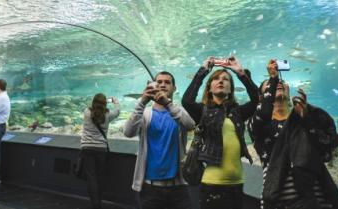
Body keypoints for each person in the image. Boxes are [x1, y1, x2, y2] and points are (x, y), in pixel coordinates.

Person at [252, 60, 338, 209]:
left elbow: (330, 143)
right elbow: (263, 112)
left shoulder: (305, 118)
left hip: (319, 199)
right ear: (262, 97)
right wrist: (273, 78)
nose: (279, 83)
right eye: (270, 84)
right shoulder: (261, 126)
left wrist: (308, 118)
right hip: (279, 202)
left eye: (282, 81)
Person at [182, 56, 260, 209]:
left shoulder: (238, 112)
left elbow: (258, 100)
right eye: (216, 79)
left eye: (226, 79)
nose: (221, 81)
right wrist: (204, 70)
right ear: (209, 88)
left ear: (230, 89)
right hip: (212, 183)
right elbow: (187, 101)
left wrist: (240, 73)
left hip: (237, 183)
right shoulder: (202, 111)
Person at [123, 72, 195, 209]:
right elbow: (128, 132)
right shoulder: (145, 113)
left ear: (174, 88)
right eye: (159, 82)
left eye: (167, 82)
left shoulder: (179, 111)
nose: (163, 85)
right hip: (150, 188)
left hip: (178, 187)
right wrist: (142, 101)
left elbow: (190, 125)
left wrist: (167, 104)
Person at [80, 93, 120, 209]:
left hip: (87, 148)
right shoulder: (108, 115)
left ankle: (95, 204)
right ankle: (99, 202)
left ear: (93, 102)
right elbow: (118, 111)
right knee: (99, 177)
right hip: (101, 149)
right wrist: (116, 102)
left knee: (91, 177)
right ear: (105, 103)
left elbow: (91, 108)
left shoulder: (86, 112)